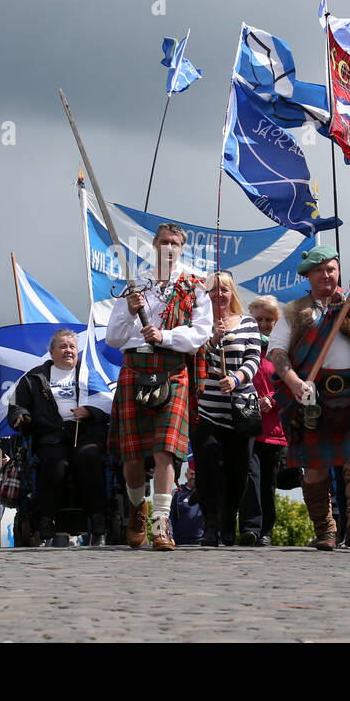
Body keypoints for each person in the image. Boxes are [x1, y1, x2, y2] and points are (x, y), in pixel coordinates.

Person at [266, 247, 350, 551]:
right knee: (315, 467)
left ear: (339, 272)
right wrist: (295, 382)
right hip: (314, 394)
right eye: (319, 270)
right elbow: (277, 353)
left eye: (331, 269)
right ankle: (325, 529)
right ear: (308, 275)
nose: (326, 275)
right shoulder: (294, 311)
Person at [105, 223, 213, 551]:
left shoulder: (195, 285)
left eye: (175, 243)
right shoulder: (135, 285)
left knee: (165, 448)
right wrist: (129, 311)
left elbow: (201, 333)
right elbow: (113, 338)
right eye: (163, 241)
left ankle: (161, 521)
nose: (169, 247)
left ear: (182, 248)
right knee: (133, 453)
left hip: (171, 366)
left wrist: (165, 336)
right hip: (135, 366)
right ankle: (138, 507)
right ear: (153, 244)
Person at [8, 328, 110, 545]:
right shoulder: (35, 378)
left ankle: (98, 516)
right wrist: (21, 416)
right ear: (52, 352)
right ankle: (45, 518)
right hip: (50, 435)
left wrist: (90, 411)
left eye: (72, 346)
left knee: (89, 458)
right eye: (63, 346)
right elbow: (18, 405)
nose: (68, 350)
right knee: (55, 463)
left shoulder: (89, 374)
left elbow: (107, 403)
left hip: (83, 434)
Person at [191, 271, 261, 546]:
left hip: (240, 408)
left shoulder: (248, 323)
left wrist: (236, 378)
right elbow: (193, 358)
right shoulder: (196, 324)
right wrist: (210, 341)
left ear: (232, 294)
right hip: (205, 409)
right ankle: (209, 524)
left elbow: (253, 358)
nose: (218, 295)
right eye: (212, 290)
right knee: (207, 467)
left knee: (238, 469)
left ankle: (229, 519)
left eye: (224, 290)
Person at [239, 295, 287, 546]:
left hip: (274, 427)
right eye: (258, 319)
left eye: (269, 319)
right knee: (250, 477)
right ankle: (250, 527)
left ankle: (266, 531)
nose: (263, 323)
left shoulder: (280, 351)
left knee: (268, 482)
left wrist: (272, 399)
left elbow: (289, 384)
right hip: (248, 424)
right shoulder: (243, 345)